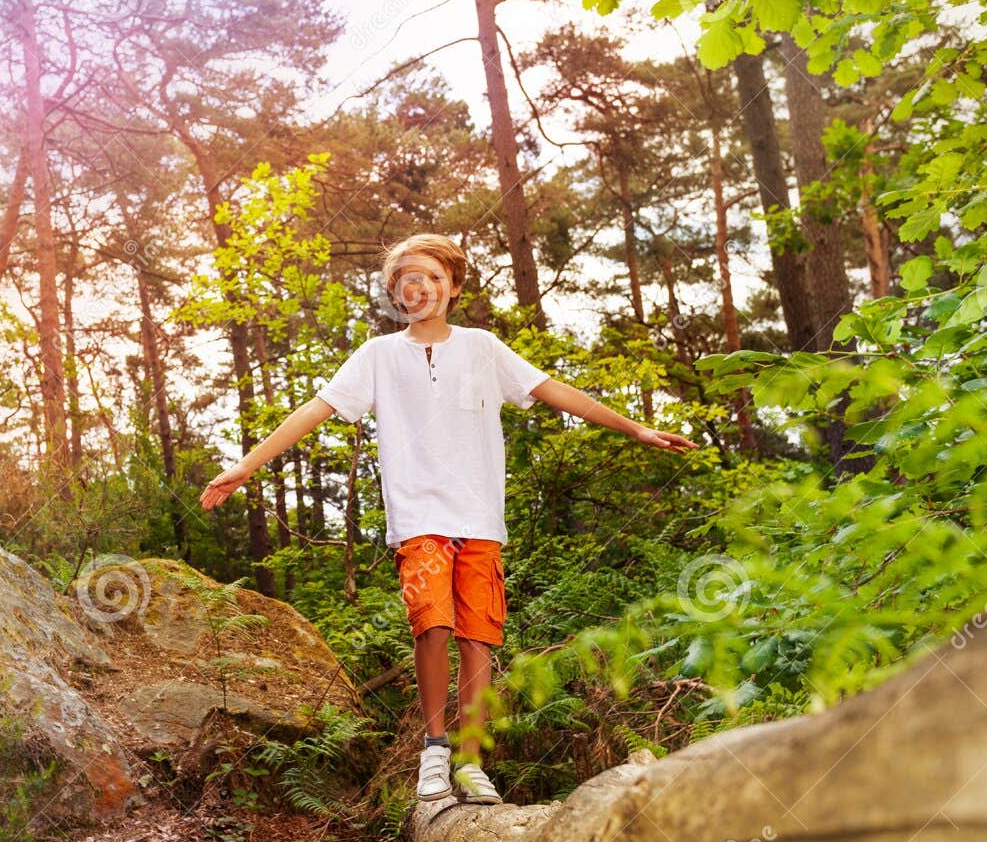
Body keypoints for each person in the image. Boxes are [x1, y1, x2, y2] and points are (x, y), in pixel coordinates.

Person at [200, 234, 698, 804]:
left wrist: (634, 427)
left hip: (479, 517)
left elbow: (552, 390)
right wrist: (245, 465)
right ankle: (434, 752)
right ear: (395, 293)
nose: (421, 287)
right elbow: (313, 410)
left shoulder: (483, 347)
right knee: (431, 625)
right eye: (408, 279)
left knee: (477, 638)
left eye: (433, 277)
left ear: (453, 287)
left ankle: (471, 759)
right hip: (418, 516)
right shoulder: (378, 357)